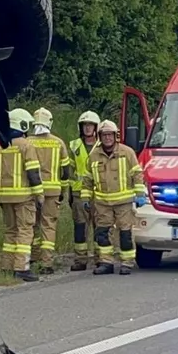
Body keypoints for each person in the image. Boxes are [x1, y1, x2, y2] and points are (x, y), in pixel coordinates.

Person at [0, 107, 44, 282]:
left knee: (10, 231)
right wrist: (39, 194)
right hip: (24, 197)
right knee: (25, 231)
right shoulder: (26, 145)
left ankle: (7, 265)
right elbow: (33, 173)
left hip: (5, 197)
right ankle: (22, 267)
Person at [85, 119, 147, 275]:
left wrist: (140, 193)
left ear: (115, 136)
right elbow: (87, 179)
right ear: (100, 136)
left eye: (110, 135)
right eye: (104, 135)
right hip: (102, 203)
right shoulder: (94, 156)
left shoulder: (127, 152)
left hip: (124, 202)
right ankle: (106, 262)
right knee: (103, 234)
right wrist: (86, 198)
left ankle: (127, 262)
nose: (107, 138)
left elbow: (137, 174)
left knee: (125, 233)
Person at [24, 107, 68, 274]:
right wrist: (63, 190)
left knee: (31, 225)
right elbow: (65, 170)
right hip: (52, 191)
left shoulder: (27, 142)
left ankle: (33, 257)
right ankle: (47, 263)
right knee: (48, 226)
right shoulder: (58, 142)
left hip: (31, 191)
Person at [68, 110, 103, 269]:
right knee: (80, 227)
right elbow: (69, 171)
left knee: (100, 227)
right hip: (78, 193)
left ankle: (100, 258)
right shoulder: (74, 145)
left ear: (96, 127)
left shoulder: (103, 146)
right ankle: (80, 260)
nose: (87, 128)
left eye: (90, 125)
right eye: (84, 125)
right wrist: (69, 192)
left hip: (99, 193)